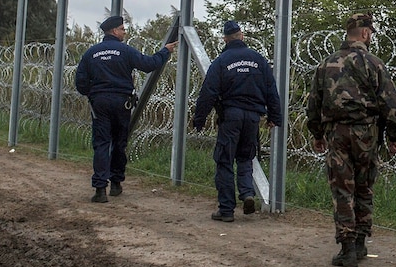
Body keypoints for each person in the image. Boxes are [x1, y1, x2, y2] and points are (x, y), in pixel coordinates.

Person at [306, 13, 396, 267]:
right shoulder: (374, 64)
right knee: (364, 186)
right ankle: (360, 242)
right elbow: (390, 103)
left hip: (336, 133)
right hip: (367, 133)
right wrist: (394, 136)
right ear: (365, 33)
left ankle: (347, 248)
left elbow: (314, 103)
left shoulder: (328, 64)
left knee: (342, 188)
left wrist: (317, 134)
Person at [74, 14, 178, 203]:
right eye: (122, 29)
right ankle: (115, 184)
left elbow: (80, 81)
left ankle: (99, 189)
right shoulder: (125, 50)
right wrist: (165, 52)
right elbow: (149, 65)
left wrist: (93, 94)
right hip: (122, 102)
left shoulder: (91, 53)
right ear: (114, 31)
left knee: (102, 143)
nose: (124, 32)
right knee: (119, 143)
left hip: (100, 103)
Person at [191, 20, 283, 222]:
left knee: (224, 160)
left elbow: (208, 92)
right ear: (242, 36)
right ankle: (247, 193)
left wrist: (199, 119)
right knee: (245, 157)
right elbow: (271, 91)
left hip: (231, 116)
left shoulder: (222, 61)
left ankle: (226, 210)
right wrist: (275, 117)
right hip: (252, 118)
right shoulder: (259, 60)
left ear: (225, 39)